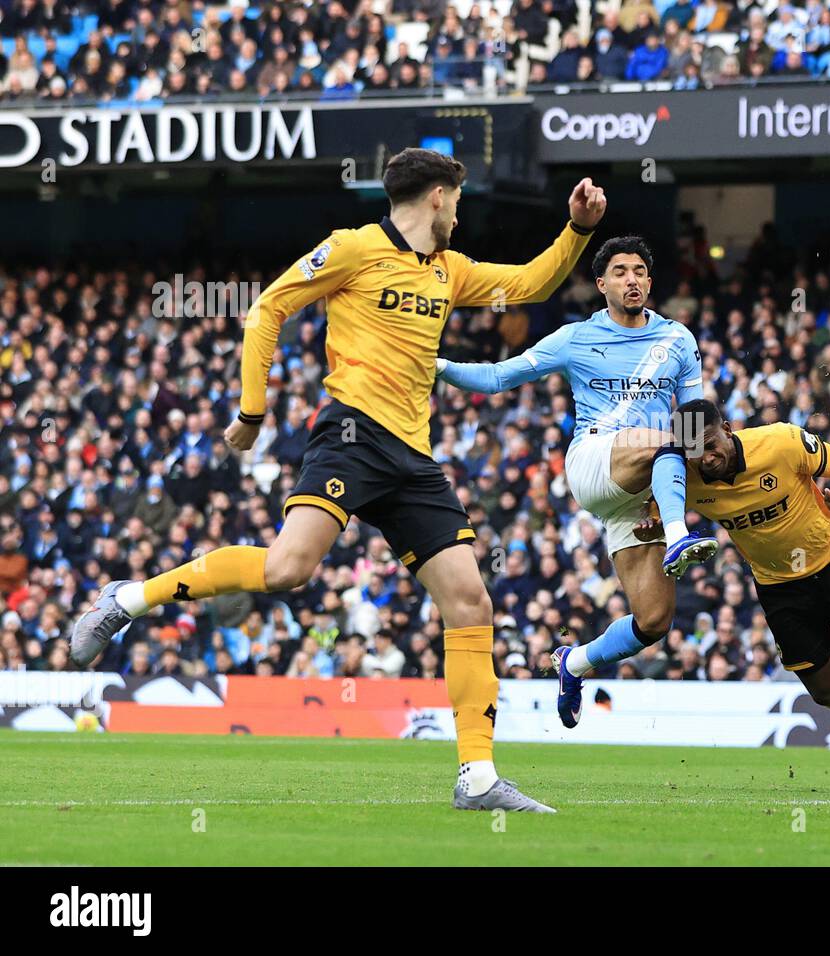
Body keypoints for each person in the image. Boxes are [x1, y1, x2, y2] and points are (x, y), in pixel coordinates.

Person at [70, 148, 609, 814]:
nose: (461, 215)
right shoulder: (351, 249)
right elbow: (268, 308)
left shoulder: (452, 269)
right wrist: (251, 411)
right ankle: (128, 599)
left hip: (413, 458)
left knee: (471, 601)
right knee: (285, 570)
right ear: (437, 197)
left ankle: (476, 778)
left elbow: (529, 283)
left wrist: (577, 230)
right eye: (459, 202)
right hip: (351, 437)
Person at [436, 236, 719, 728]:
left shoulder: (679, 340)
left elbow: (696, 422)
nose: (632, 279)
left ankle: (575, 663)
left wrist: (671, 492)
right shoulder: (574, 338)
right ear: (601, 283)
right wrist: (436, 366)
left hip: (645, 482)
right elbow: (499, 377)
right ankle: (678, 538)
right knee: (668, 438)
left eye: (639, 271)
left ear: (650, 282)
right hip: (594, 459)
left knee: (653, 621)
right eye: (621, 271)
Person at [632, 400, 830, 793]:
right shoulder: (686, 478)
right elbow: (659, 507)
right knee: (823, 690)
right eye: (695, 453)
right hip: (778, 584)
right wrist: (653, 523)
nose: (707, 459)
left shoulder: (780, 441)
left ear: (726, 427)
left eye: (711, 444)